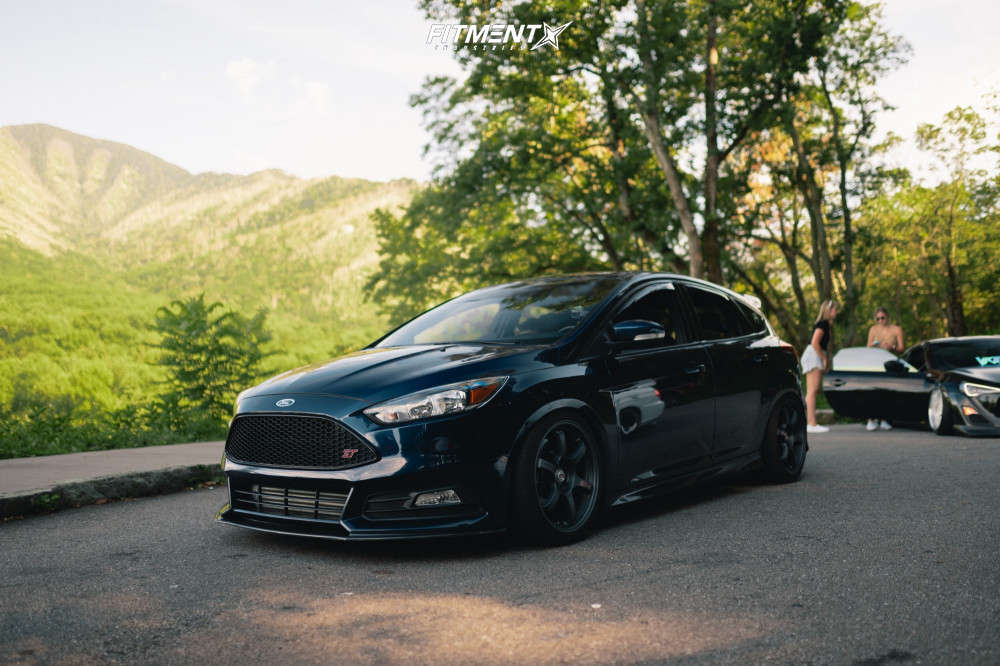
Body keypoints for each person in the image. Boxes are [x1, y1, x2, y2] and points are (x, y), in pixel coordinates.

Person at [801, 299, 838, 434]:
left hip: (816, 354)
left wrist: (824, 357)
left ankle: (810, 422)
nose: (836, 312)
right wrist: (823, 358)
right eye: (835, 309)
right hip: (814, 354)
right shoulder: (822, 324)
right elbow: (815, 342)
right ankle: (811, 423)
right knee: (812, 390)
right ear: (828, 310)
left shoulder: (826, 324)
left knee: (812, 391)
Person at [865, 307, 905, 431]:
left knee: (887, 391)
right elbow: (868, 347)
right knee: (873, 391)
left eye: (882, 318)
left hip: (890, 362)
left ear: (888, 317)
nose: (880, 321)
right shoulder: (873, 329)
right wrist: (876, 344)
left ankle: (885, 419)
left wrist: (891, 347)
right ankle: (871, 419)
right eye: (878, 318)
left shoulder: (896, 329)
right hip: (875, 362)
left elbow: (901, 349)